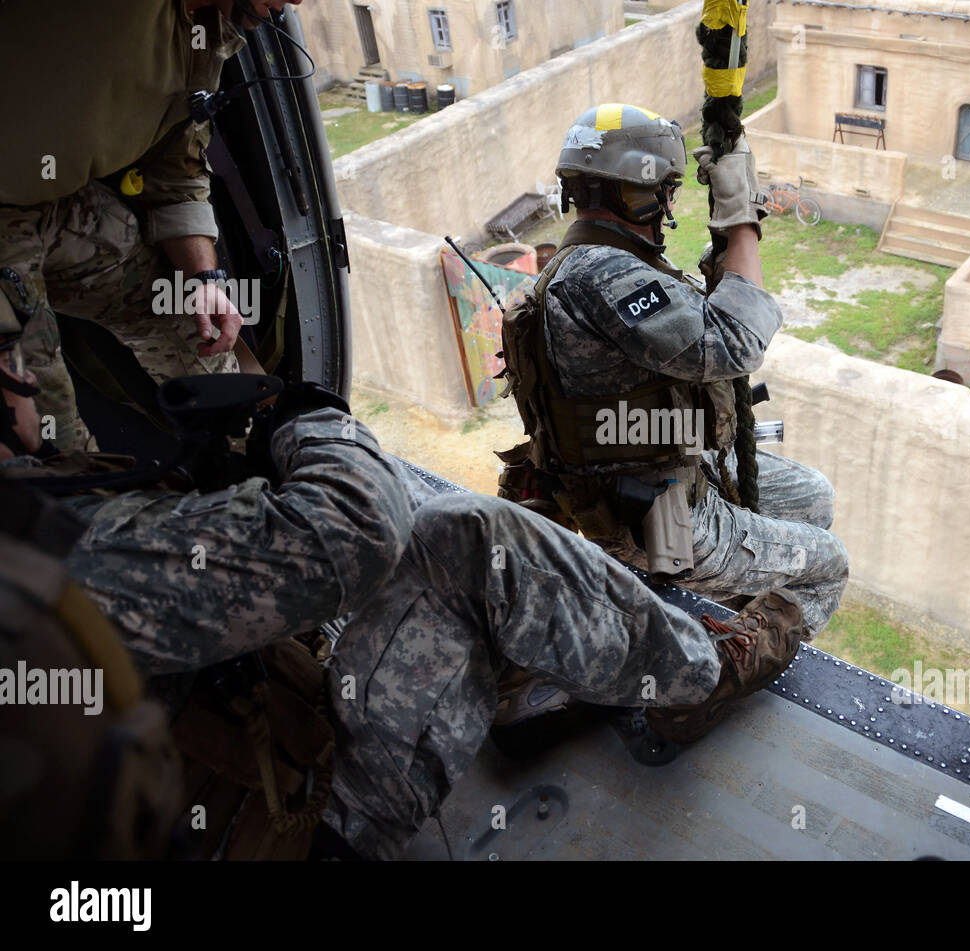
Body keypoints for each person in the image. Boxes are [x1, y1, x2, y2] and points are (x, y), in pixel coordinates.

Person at [0, 297, 803, 860]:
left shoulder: (36, 539)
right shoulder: (28, 571)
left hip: (225, 766)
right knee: (468, 538)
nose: (29, 376)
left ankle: (528, 672)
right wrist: (293, 411)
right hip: (292, 823)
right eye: (8, 359)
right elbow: (351, 524)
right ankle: (698, 680)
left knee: (431, 528)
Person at [497, 103, 849, 663]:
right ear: (637, 192)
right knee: (828, 562)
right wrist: (741, 221)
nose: (667, 206)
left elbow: (683, 327)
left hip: (660, 477)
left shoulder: (592, 262)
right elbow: (735, 344)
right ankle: (713, 687)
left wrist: (726, 243)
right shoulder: (605, 275)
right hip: (660, 523)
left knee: (813, 496)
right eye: (664, 191)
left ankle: (734, 592)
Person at [0, 0, 304, 453]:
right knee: (47, 434)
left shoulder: (204, 37)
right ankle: (74, 498)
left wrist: (205, 279)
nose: (296, 3)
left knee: (183, 309)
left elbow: (177, 172)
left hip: (45, 204)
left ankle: (246, 457)